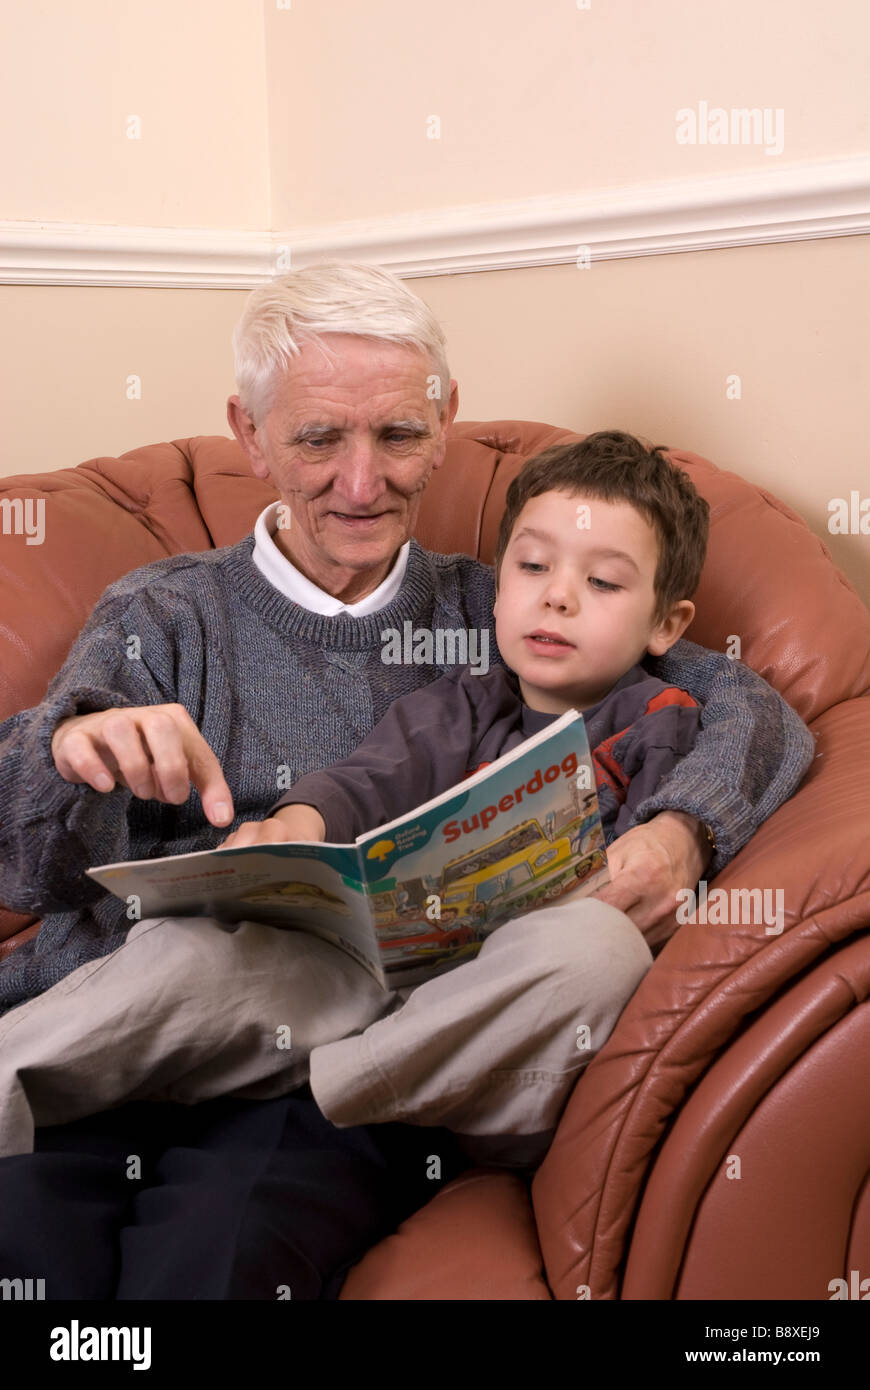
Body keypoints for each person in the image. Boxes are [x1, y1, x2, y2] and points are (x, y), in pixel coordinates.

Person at [0, 261, 814, 1299]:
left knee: (215, 1261)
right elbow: (27, 864)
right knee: (22, 1248)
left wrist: (686, 829)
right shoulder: (162, 613)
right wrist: (70, 753)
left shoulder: (505, 608)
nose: (360, 481)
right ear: (249, 434)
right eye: (317, 438)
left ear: (447, 420)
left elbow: (752, 706)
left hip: (342, 1078)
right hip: (148, 1023)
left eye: (397, 436)